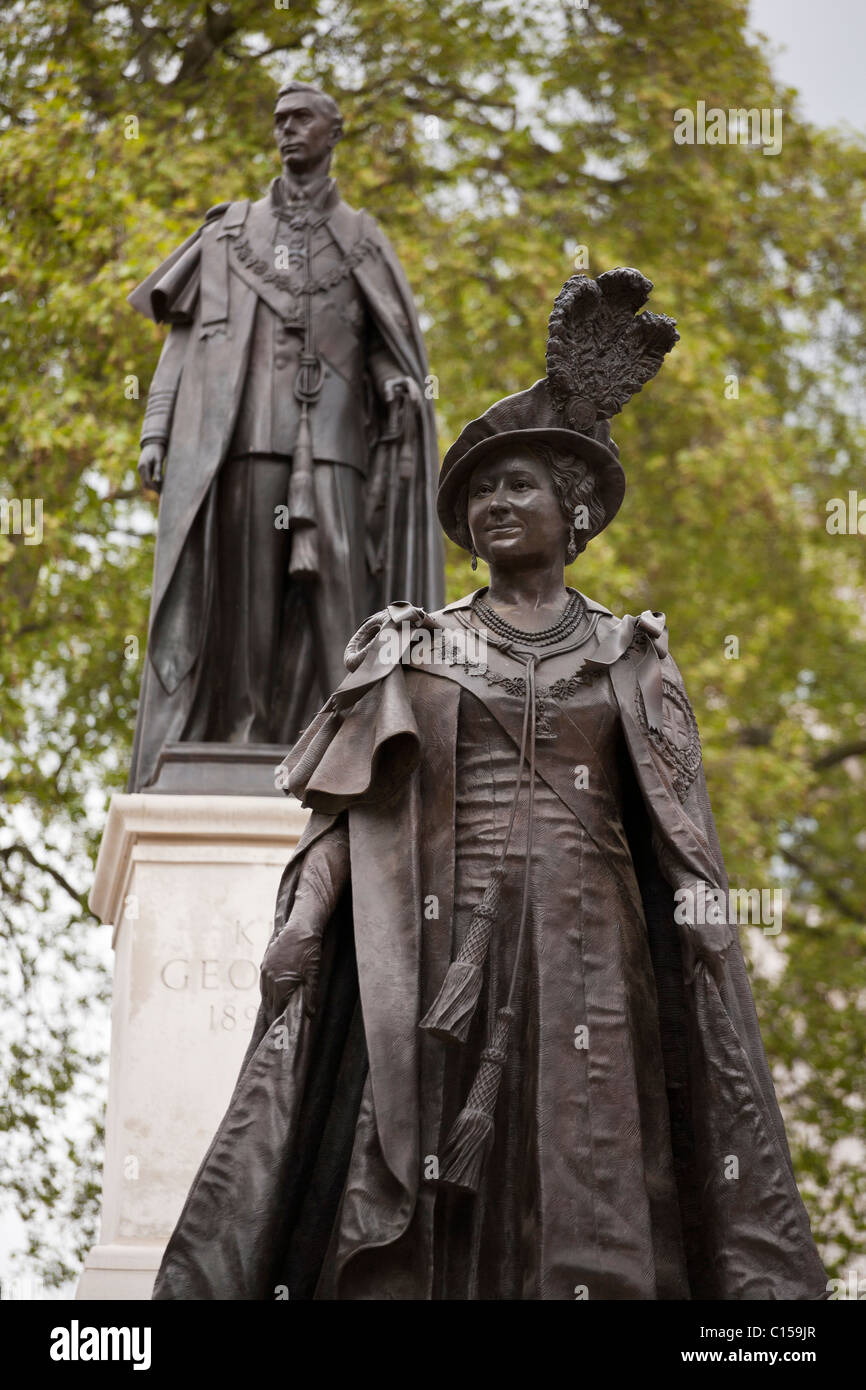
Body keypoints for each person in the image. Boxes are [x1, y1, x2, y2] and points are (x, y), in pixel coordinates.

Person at [152, 269, 828, 1300]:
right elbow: (345, 807)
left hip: (591, 946)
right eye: (479, 490)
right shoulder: (411, 646)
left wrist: (705, 952)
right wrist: (302, 919)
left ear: (576, 512)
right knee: (427, 1186)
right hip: (435, 941)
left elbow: (680, 841)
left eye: (519, 486)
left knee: (588, 1166)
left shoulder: (628, 654)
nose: (493, 503)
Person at [127, 81, 443, 791]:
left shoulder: (362, 238)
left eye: (301, 119)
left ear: (335, 132)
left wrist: (398, 385)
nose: (285, 131)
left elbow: (390, 345)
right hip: (247, 444)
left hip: (337, 450)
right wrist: (157, 430)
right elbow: (180, 347)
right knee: (246, 604)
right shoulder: (229, 232)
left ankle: (348, 736)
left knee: (340, 597)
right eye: (278, 121)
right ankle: (242, 738)